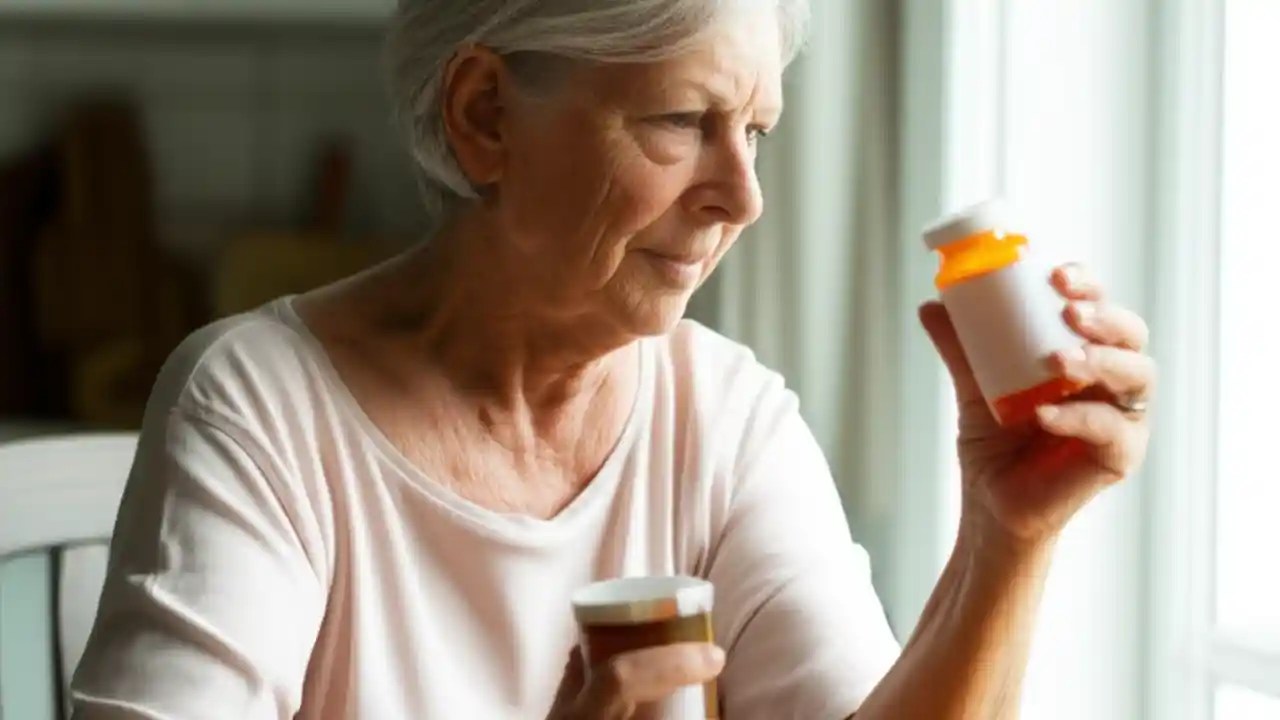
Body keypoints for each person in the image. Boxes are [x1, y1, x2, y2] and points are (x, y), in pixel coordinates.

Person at [70, 1, 1155, 718]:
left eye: (756, 131)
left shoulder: (727, 419)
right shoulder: (261, 405)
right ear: (485, 114)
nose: (742, 196)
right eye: (681, 120)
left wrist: (1007, 538)